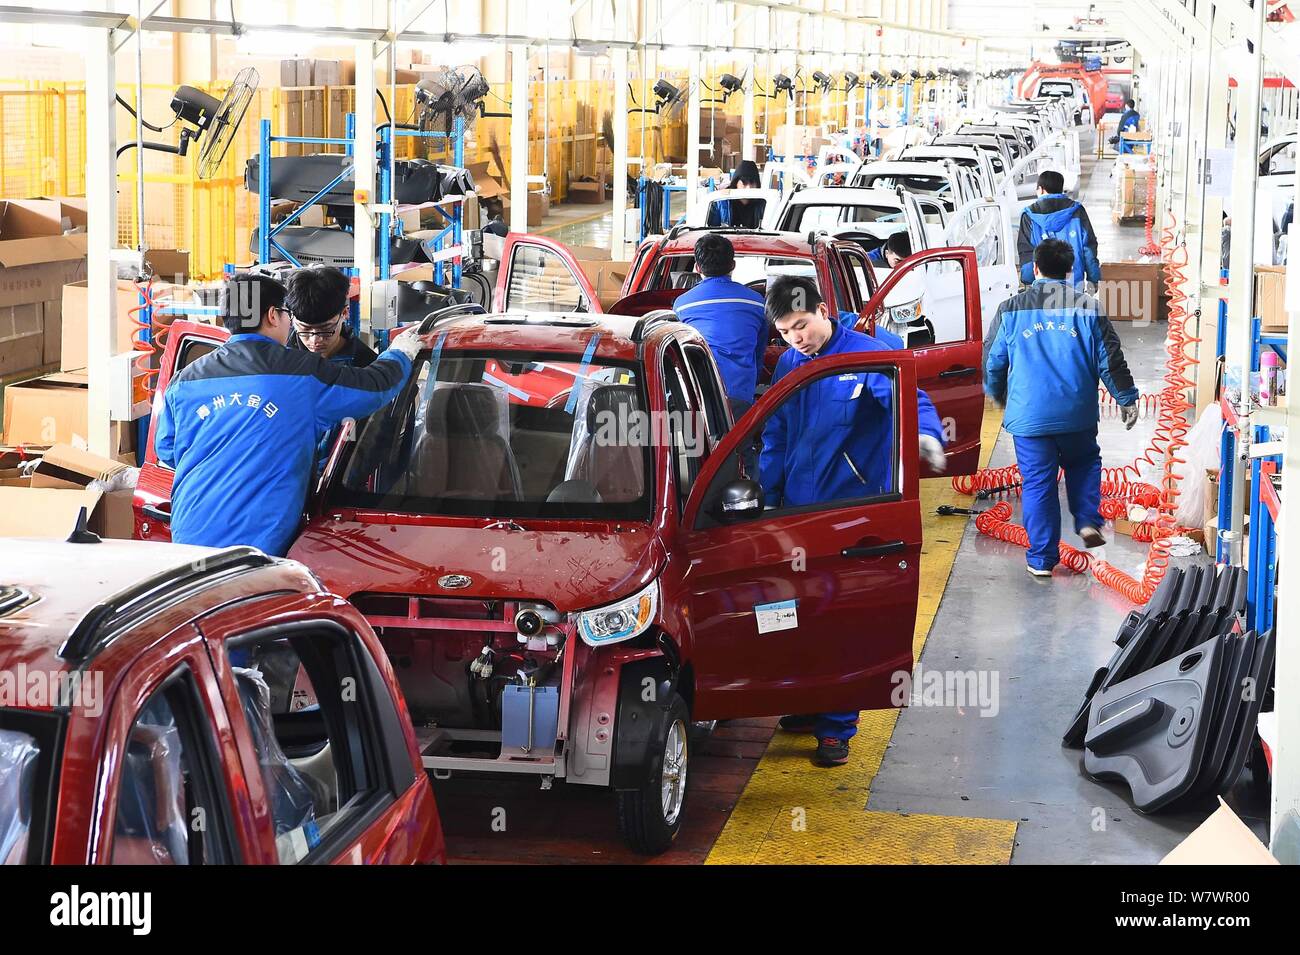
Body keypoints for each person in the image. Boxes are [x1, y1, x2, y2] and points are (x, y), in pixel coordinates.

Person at [761, 274, 947, 767]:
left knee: (841, 622)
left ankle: (836, 727)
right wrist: (767, 495)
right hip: (797, 512)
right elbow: (777, 434)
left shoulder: (867, 354)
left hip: (850, 519)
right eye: (786, 333)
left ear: (824, 310)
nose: (797, 339)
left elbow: (913, 400)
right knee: (795, 617)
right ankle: (808, 703)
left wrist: (926, 435)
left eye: (801, 325)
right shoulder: (788, 364)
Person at [153, 272, 425, 557]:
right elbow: (376, 387)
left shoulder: (184, 379)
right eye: (288, 316)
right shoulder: (300, 373)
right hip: (259, 541)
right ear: (273, 315)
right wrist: (400, 353)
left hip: (188, 532)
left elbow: (168, 451)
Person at [984, 239, 1139, 578]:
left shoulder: (1010, 310)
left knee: (1038, 484)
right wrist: (1126, 397)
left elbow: (993, 361)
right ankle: (1086, 521)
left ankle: (1041, 559)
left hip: (1030, 419)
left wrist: (996, 394)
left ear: (1035, 269)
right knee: (1083, 464)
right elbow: (1110, 360)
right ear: (1070, 271)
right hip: (1076, 414)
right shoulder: (1088, 308)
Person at [1017, 170, 1101, 290]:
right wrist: (1093, 278)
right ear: (1060, 189)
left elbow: (1026, 251)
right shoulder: (1077, 211)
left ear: (1041, 189)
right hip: (1073, 283)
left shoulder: (1029, 216)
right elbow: (1088, 247)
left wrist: (1028, 279)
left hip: (1042, 284)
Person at [285, 266, 378, 368]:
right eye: (305, 328)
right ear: (292, 317)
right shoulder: (279, 353)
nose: (315, 340)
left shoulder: (365, 364)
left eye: (325, 328)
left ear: (344, 313)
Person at [707, 159, 765, 229]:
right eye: (744, 183)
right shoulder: (720, 203)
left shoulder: (763, 205)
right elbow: (710, 231)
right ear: (736, 183)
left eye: (752, 183)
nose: (748, 187)